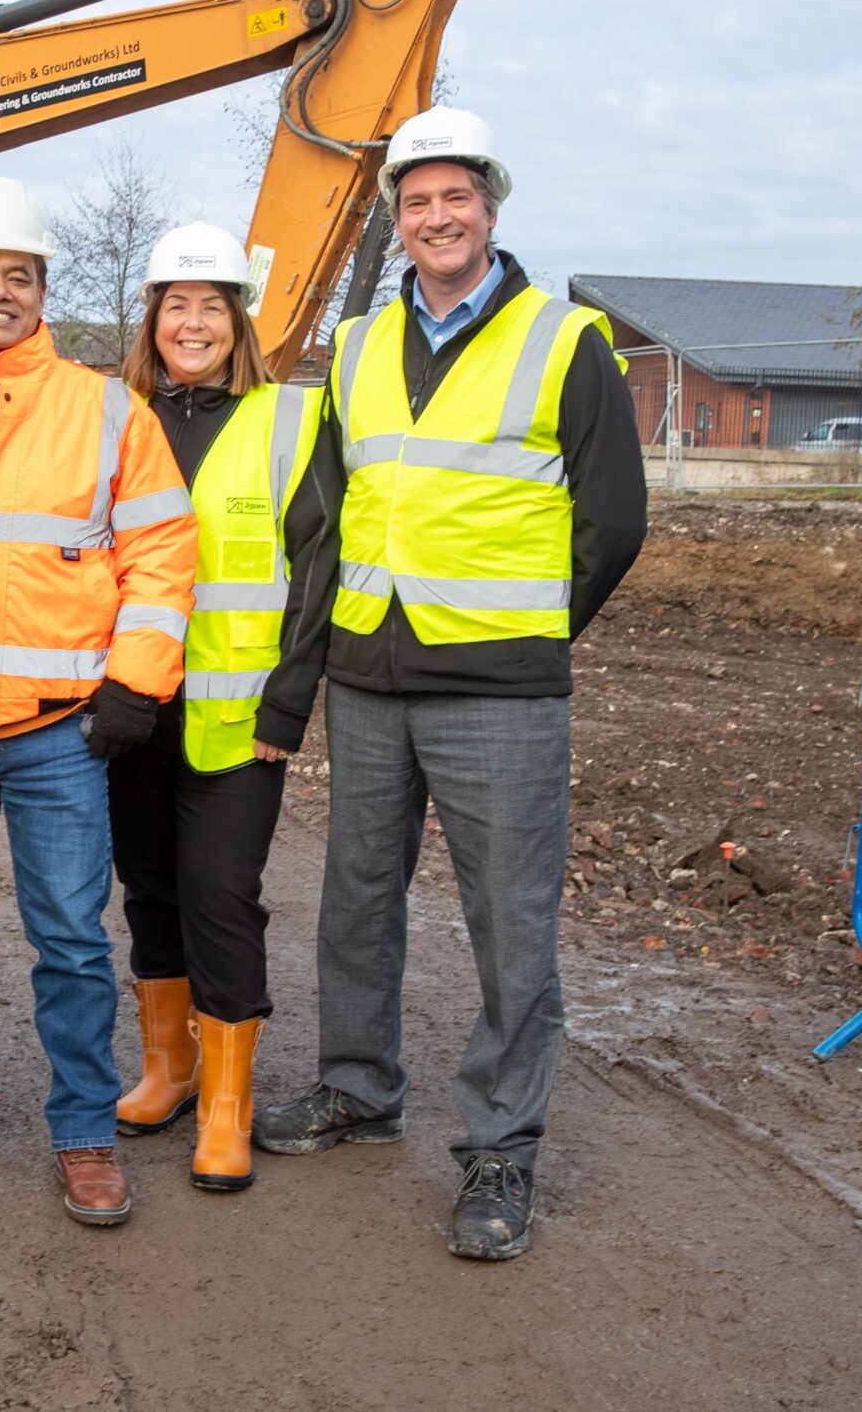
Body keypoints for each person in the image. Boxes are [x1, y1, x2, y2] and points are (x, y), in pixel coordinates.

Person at [253, 107, 648, 1260]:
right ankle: (358, 1088)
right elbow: (322, 511)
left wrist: (529, 634)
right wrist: (318, 654)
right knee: (356, 902)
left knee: (508, 927)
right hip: (371, 674)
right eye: (415, 201)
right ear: (398, 219)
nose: (436, 217)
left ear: (489, 206)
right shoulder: (362, 342)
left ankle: (501, 1148)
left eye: (454, 198)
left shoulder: (566, 340)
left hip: (499, 693)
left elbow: (612, 522)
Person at [0, 177, 197, 1227]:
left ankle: (84, 1133)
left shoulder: (108, 408)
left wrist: (134, 686)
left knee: (68, 937)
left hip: (63, 731)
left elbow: (160, 555)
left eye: (16, 275)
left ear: (41, 288)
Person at [105, 222, 329, 1193]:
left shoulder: (287, 420)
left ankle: (228, 1104)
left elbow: (317, 570)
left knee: (220, 898)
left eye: (209, 304)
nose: (190, 322)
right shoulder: (117, 417)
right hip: (132, 711)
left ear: (237, 321)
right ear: (150, 318)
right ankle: (169, 1067)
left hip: (239, 719)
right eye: (173, 304)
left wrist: (287, 708)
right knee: (149, 891)